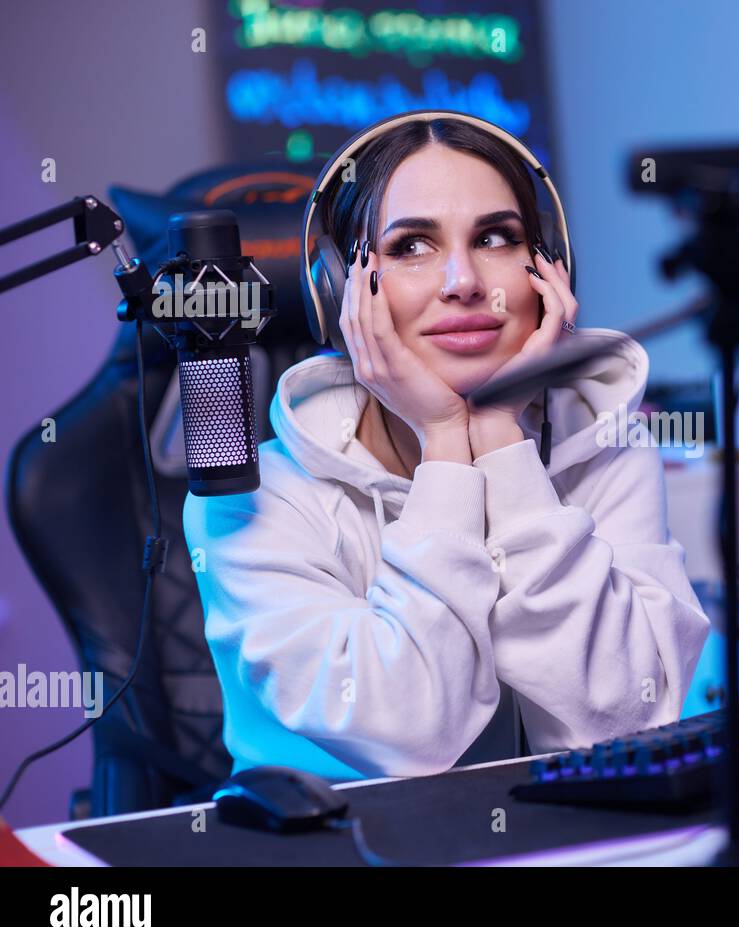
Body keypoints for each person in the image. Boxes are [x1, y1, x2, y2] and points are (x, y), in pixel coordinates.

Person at [183, 116, 711, 781]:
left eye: (494, 237)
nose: (465, 281)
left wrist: (497, 436)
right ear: (339, 289)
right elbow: (413, 740)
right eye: (412, 246)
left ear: (548, 271)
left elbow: (623, 723)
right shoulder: (251, 502)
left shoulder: (608, 446)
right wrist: (445, 447)